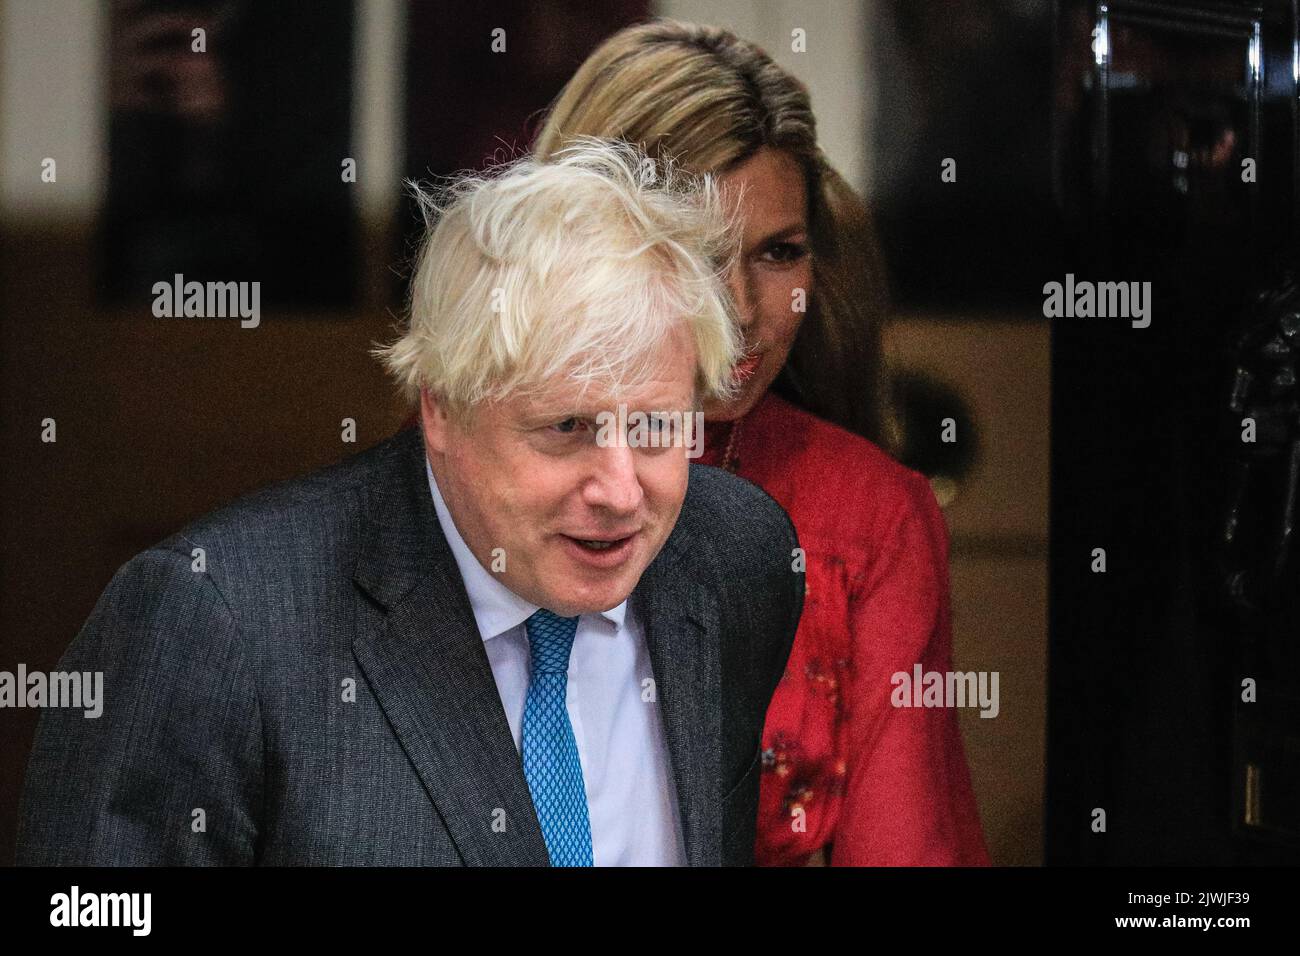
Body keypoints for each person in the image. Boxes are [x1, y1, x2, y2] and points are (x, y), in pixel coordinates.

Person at [16, 140, 803, 866]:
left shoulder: (736, 560)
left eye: (658, 427)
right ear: (441, 410)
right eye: (566, 428)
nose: (622, 491)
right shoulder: (217, 620)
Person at [535, 20, 990, 866]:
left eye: (779, 253)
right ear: (581, 248)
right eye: (696, 255)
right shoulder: (473, 463)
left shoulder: (867, 514)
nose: (742, 309)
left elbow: (909, 846)